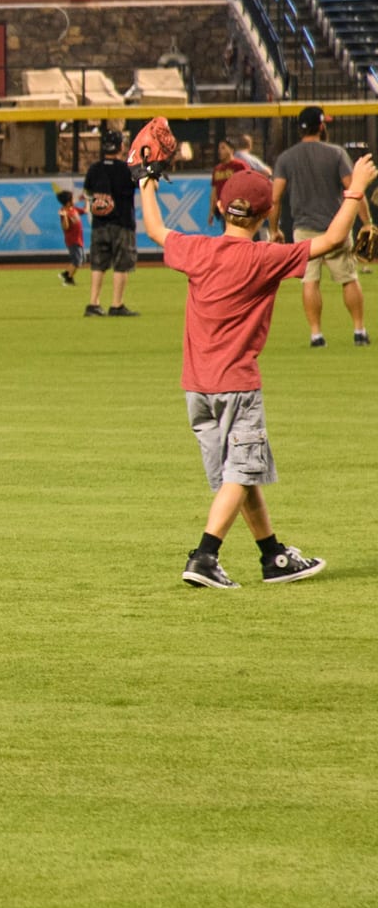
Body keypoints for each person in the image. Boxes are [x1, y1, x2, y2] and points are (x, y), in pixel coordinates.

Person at [144, 160, 373, 588]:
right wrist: (355, 189)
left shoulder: (197, 250)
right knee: (241, 471)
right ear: (267, 214)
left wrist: (146, 183)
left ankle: (273, 556)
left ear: (219, 205)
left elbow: (157, 230)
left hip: (196, 386)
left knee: (240, 474)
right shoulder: (264, 257)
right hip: (237, 384)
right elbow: (333, 238)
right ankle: (205, 556)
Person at [273, 106, 367, 347]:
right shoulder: (335, 153)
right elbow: (354, 190)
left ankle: (316, 334)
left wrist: (274, 229)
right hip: (336, 228)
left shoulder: (286, 157)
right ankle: (359, 331)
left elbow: (275, 198)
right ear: (322, 126)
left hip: (304, 230)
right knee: (348, 277)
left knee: (310, 281)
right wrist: (367, 223)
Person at [84, 129, 138, 317]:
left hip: (99, 224)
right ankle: (116, 304)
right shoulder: (127, 169)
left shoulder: (95, 168)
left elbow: (88, 192)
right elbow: (145, 185)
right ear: (121, 147)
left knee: (98, 265)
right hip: (122, 223)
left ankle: (93, 303)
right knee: (121, 265)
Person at [56, 189, 86, 287]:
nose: (74, 200)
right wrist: (64, 217)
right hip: (73, 240)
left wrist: (87, 201)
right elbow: (65, 227)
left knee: (79, 260)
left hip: (78, 238)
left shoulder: (74, 209)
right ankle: (68, 279)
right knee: (78, 261)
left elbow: (85, 210)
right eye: (72, 199)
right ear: (69, 201)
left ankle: (66, 274)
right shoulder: (65, 212)